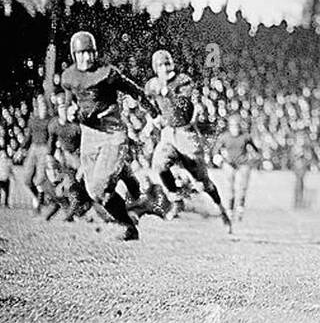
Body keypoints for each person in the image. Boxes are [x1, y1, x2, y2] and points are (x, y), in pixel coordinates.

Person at [58, 30, 159, 241]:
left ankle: (129, 218)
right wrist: (68, 111)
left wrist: (153, 112)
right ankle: (128, 222)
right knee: (95, 193)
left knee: (99, 186)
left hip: (112, 133)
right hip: (89, 134)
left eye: (90, 52)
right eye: (81, 53)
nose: (86, 57)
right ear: (74, 54)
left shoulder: (107, 73)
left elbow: (135, 90)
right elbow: (69, 101)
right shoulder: (69, 76)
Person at [144, 48, 232, 232]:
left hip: (186, 134)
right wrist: (153, 117)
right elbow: (146, 100)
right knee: (159, 164)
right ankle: (175, 199)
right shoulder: (152, 84)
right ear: (155, 68)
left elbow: (184, 107)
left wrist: (168, 93)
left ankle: (221, 208)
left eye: (167, 63)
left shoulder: (183, 81)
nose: (165, 68)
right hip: (168, 132)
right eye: (161, 65)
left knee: (203, 182)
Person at [218, 113, 261, 222]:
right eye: (233, 126)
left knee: (242, 188)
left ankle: (240, 208)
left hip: (243, 163)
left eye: (237, 126)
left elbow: (255, 149)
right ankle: (230, 210)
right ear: (229, 126)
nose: (235, 129)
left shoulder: (245, 136)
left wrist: (255, 156)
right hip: (229, 163)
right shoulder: (225, 137)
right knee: (229, 188)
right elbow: (216, 150)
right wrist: (219, 157)